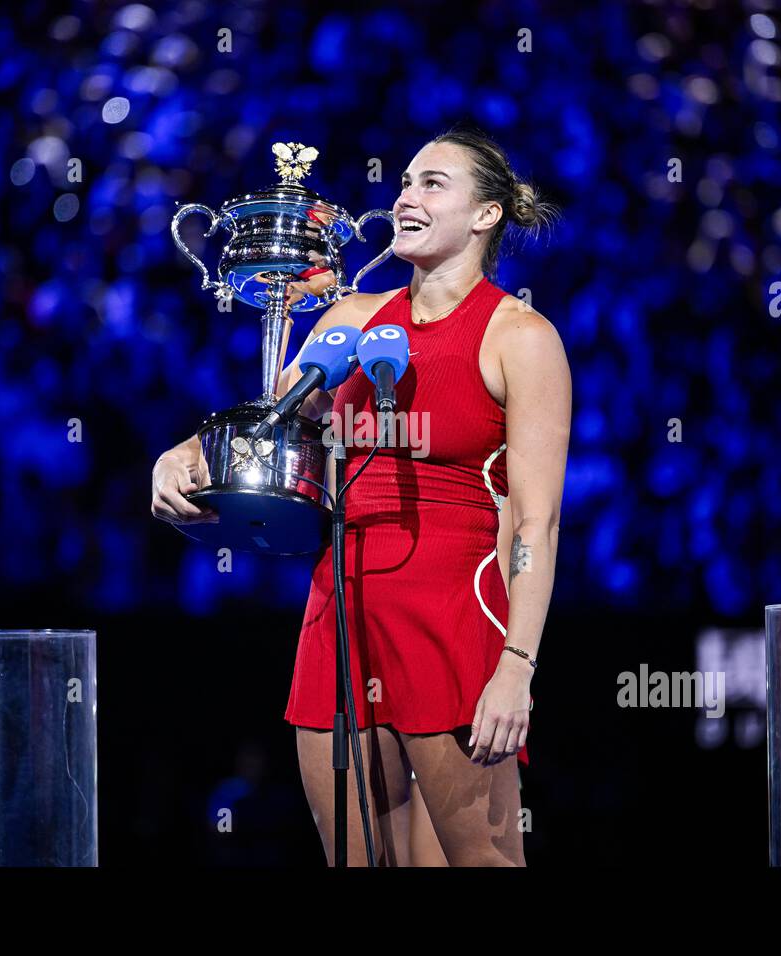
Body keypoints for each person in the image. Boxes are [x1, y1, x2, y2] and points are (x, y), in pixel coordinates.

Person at [152, 125, 570, 866]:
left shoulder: (520, 336)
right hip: (340, 609)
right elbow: (270, 423)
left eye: (432, 183)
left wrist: (517, 665)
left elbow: (537, 520)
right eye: (405, 181)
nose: (406, 196)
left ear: (486, 215)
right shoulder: (347, 320)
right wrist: (183, 454)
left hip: (451, 618)